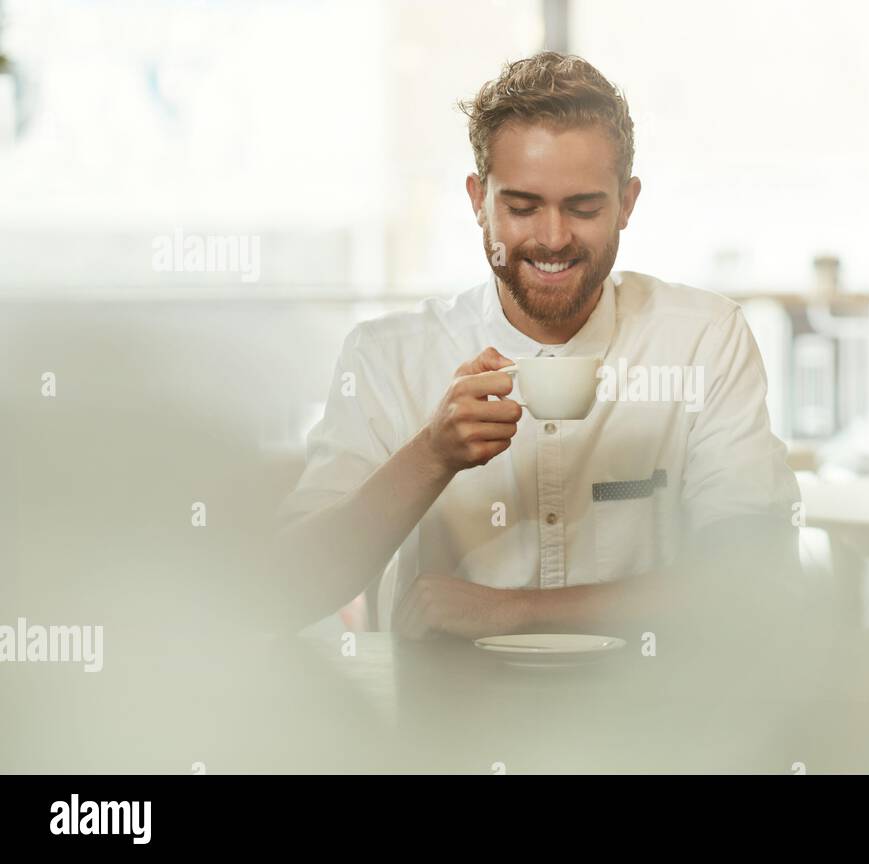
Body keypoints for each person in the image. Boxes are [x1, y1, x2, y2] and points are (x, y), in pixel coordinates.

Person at [278, 52, 802, 641]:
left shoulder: (702, 336)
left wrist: (514, 613)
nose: (553, 239)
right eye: (522, 207)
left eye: (584, 208)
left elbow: (757, 578)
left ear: (627, 204)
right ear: (479, 200)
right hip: (448, 721)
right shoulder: (387, 356)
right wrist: (432, 454)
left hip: (651, 716)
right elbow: (292, 590)